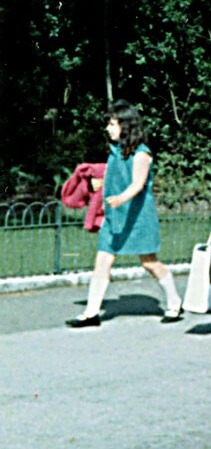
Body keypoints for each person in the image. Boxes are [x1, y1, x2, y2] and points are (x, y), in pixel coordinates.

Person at [67, 100, 184, 327]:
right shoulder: (115, 152)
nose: (108, 128)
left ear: (126, 126)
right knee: (102, 262)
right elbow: (115, 176)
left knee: (149, 263)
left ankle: (174, 302)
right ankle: (91, 313)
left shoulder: (142, 154)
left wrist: (120, 198)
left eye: (113, 124)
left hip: (138, 218)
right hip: (115, 218)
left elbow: (138, 184)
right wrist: (100, 184)